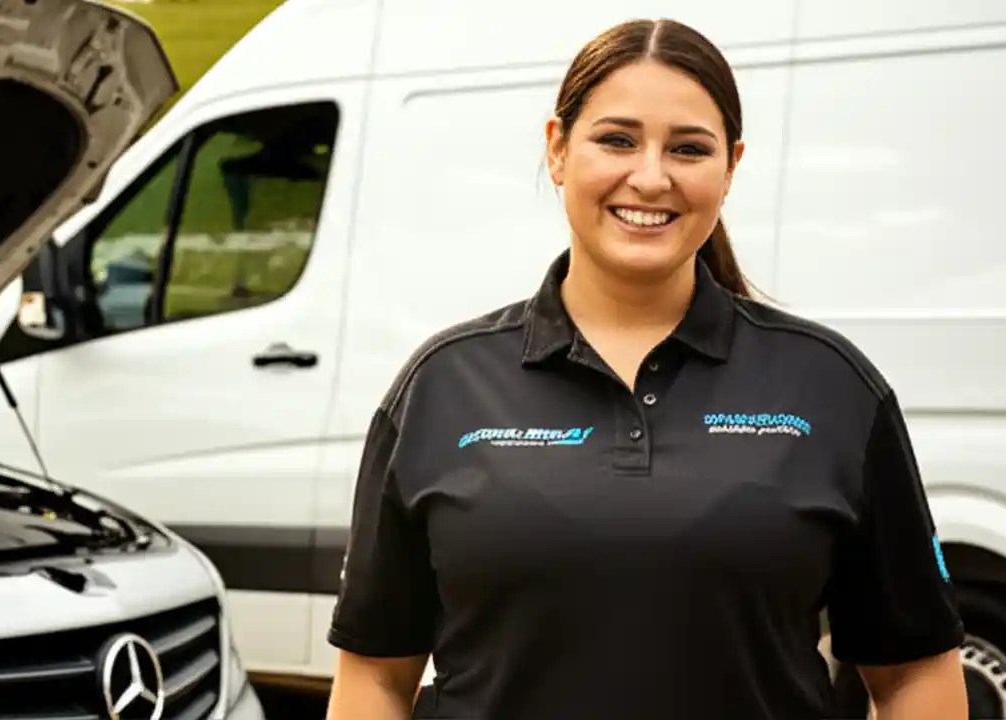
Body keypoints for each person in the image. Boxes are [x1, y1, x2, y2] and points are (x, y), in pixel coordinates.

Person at [324, 17, 969, 720]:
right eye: (617, 139)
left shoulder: (833, 387)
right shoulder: (441, 388)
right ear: (558, 149)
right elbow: (376, 679)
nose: (651, 176)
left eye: (689, 148)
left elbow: (914, 675)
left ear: (731, 168)